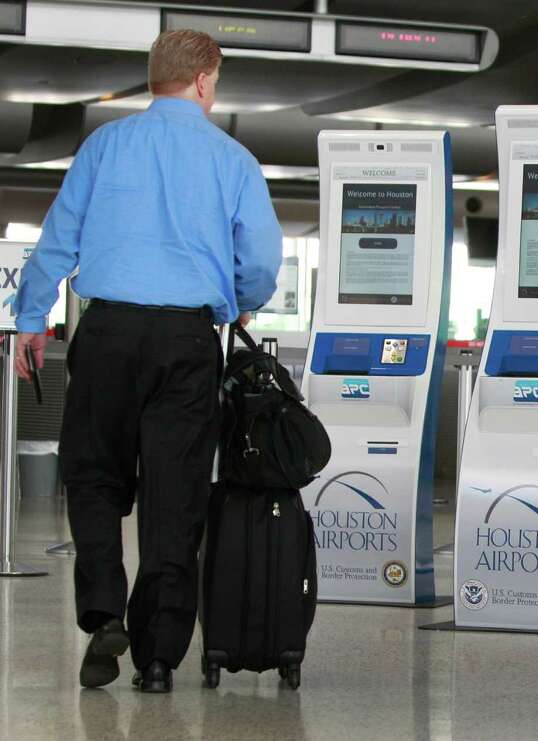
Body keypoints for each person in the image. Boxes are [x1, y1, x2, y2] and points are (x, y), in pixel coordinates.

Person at [12, 30, 282, 693]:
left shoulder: (103, 147)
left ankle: (104, 611)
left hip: (103, 332)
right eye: (215, 85)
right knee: (174, 495)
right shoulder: (233, 159)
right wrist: (239, 304)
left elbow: (57, 240)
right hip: (187, 341)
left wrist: (29, 319)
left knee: (94, 476)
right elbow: (262, 261)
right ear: (201, 82)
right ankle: (158, 657)